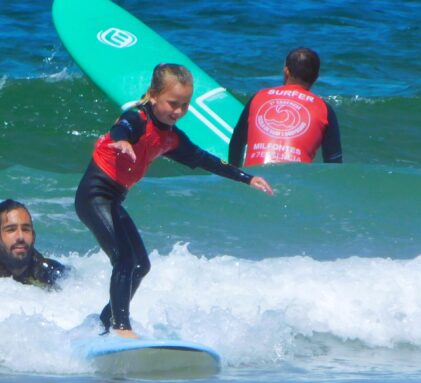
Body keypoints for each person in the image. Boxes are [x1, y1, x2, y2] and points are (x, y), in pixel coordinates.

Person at [75, 63, 273, 338]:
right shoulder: (137, 119)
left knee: (141, 266)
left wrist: (246, 177)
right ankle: (121, 327)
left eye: (184, 105)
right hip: (94, 195)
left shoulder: (170, 138)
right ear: (153, 96)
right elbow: (121, 127)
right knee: (123, 259)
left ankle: (104, 323)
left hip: (114, 200)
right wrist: (122, 142)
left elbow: (206, 159)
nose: (178, 111)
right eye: (172, 103)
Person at [227, 47, 343, 167]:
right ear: (316, 77)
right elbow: (334, 165)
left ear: (286, 71)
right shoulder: (325, 109)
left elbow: (237, 142)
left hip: (255, 178)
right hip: (294, 182)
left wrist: (235, 173)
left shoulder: (258, 97)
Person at [0, 199, 67, 290]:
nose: (20, 237)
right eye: (11, 230)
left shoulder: (53, 273)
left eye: (26, 229)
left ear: (33, 236)